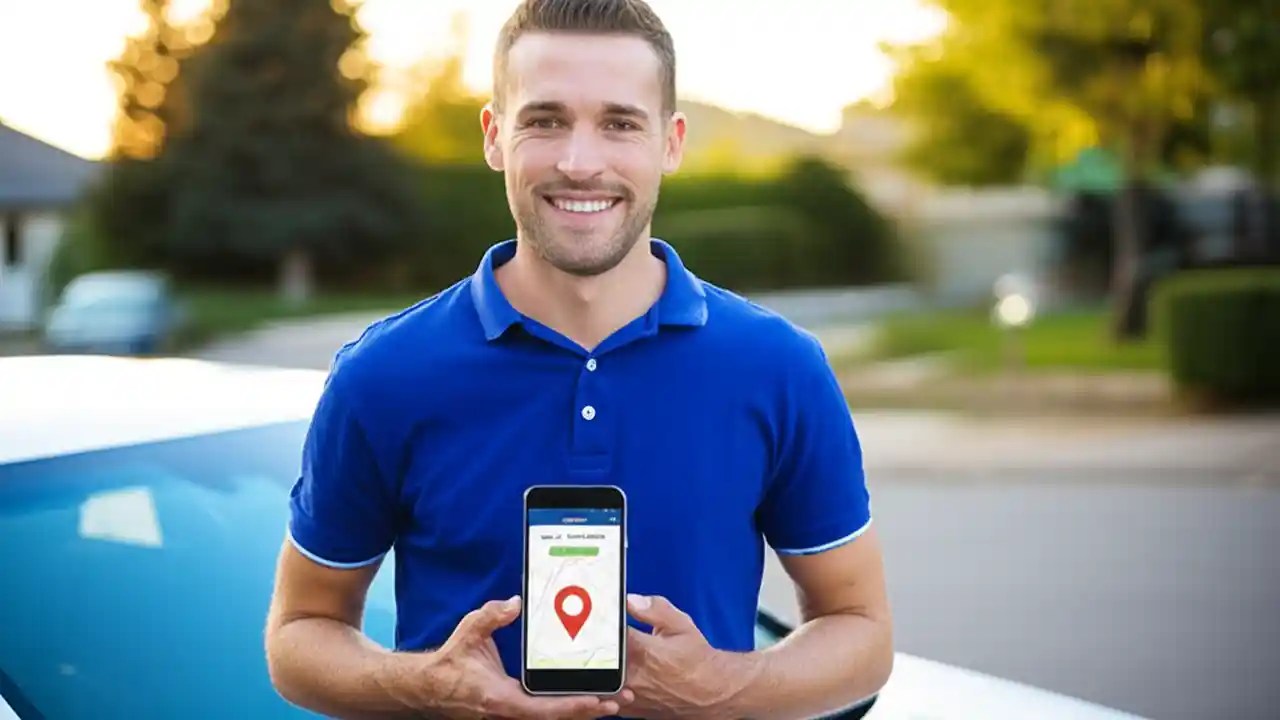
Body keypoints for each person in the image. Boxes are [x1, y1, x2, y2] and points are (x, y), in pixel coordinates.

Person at [264, 0, 893, 717]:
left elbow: (861, 631)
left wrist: (726, 686)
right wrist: (424, 686)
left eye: (620, 124)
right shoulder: (383, 376)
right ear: (495, 136)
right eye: (545, 120)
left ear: (671, 142)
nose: (580, 162)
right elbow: (299, 633)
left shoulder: (779, 368)